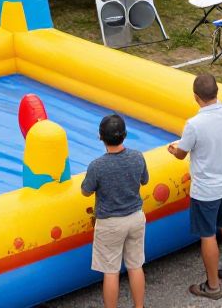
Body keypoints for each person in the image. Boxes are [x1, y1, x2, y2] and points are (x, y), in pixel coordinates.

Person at [168, 73, 222, 300]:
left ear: (195, 97)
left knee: (208, 234)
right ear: (217, 91)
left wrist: (173, 150)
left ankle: (212, 286)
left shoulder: (194, 124)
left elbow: (181, 154)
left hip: (207, 189)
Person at [81, 114, 149, 308]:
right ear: (125, 135)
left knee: (111, 271)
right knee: (135, 266)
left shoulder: (97, 166)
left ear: (100, 137)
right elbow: (144, 180)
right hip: (135, 217)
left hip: (110, 223)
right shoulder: (137, 156)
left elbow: (86, 191)